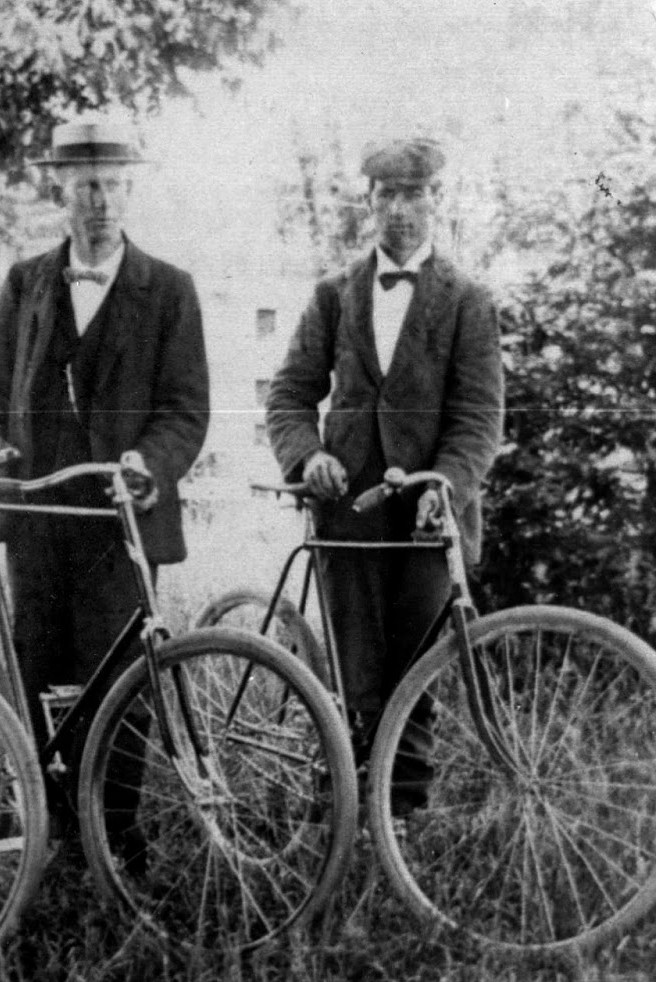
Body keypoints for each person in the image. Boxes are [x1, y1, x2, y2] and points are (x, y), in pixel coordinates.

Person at [0, 117, 210, 850]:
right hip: (37, 510)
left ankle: (115, 839)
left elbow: (186, 408)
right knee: (34, 667)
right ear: (61, 191)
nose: (100, 200)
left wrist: (147, 465)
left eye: (113, 185)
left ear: (131, 191)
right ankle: (35, 826)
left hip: (121, 520)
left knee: (121, 680)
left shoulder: (169, 291)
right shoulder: (27, 280)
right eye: (86, 185)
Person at [265, 136, 503, 813]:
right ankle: (333, 807)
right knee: (347, 664)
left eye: (414, 194)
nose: (401, 210)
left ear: (437, 201)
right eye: (387, 195)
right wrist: (308, 456)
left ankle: (402, 816)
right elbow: (289, 395)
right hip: (347, 510)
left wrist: (445, 485)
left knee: (416, 665)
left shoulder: (468, 302)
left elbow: (479, 417)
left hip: (428, 514)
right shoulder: (335, 295)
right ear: (368, 203)